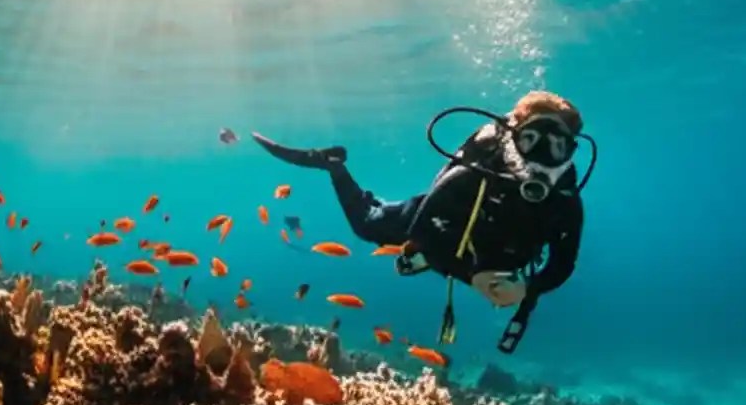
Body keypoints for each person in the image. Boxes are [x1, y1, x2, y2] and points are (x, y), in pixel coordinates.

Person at [251, 91, 591, 352]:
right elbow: (423, 234)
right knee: (367, 224)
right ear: (514, 137)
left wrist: (528, 289)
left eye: (558, 146)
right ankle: (333, 164)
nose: (543, 158)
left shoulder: (564, 200)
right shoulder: (471, 174)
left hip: (490, 253)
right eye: (532, 140)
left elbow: (564, 263)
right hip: (440, 220)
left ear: (572, 150)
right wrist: (473, 277)